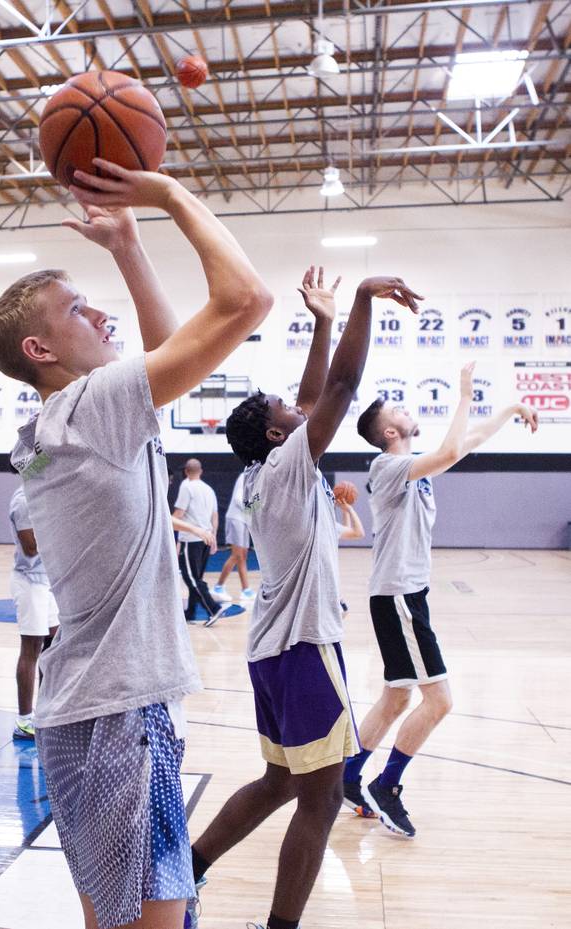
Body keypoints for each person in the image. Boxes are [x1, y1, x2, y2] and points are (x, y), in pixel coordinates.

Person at [0, 159, 273, 929]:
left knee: (132, 918)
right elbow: (246, 301)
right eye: (79, 310)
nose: (101, 316)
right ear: (42, 350)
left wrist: (128, 247)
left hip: (97, 706)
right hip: (115, 712)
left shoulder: (75, 421)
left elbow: (170, 347)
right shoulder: (88, 408)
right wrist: (171, 193)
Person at [185, 267, 422, 929]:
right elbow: (339, 389)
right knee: (317, 798)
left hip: (272, 653)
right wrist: (360, 303)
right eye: (285, 409)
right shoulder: (289, 464)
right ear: (275, 434)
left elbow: (316, 392)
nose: (297, 405)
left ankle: (188, 868)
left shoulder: (273, 468)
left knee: (280, 781)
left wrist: (320, 320)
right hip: (302, 649)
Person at [343, 363, 538, 837]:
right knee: (440, 701)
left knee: (396, 698)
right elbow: (452, 447)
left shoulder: (417, 467)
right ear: (390, 431)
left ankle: (349, 777)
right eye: (401, 410)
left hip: (403, 596)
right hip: (399, 597)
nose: (410, 412)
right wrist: (466, 392)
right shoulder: (389, 466)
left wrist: (511, 408)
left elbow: (465, 442)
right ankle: (387, 786)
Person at [8, 484, 58, 741]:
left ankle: (46, 710)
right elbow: (30, 546)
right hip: (30, 581)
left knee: (54, 645)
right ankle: (24, 720)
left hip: (48, 580)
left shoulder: (46, 492)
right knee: (32, 648)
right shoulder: (24, 499)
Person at [174, 459, 244, 624]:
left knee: (191, 578)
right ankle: (190, 612)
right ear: (201, 471)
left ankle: (213, 609)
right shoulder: (209, 489)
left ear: (185, 472)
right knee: (196, 577)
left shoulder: (186, 486)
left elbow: (178, 513)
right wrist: (213, 536)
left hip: (190, 539)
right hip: (206, 538)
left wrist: (171, 531)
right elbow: (215, 516)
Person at [211, 470, 256, 605]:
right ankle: (218, 587)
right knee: (237, 555)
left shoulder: (259, 480)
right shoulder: (246, 476)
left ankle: (246, 589)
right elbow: (238, 499)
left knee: (243, 555)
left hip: (244, 520)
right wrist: (255, 509)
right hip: (236, 518)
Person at [333, 481, 365, 620]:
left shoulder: (329, 525)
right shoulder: (331, 526)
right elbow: (359, 533)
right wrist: (350, 510)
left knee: (342, 611)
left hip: (327, 579)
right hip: (326, 579)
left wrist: (344, 511)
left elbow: (346, 530)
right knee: (341, 611)